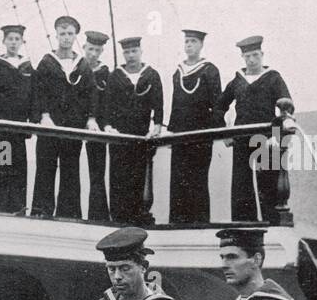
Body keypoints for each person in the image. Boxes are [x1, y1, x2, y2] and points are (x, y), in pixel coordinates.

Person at [215, 36, 293, 221]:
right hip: (241, 138)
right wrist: (225, 132)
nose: (251, 60)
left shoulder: (273, 77)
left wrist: (276, 135)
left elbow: (286, 107)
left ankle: (272, 224)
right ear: (243, 57)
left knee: (269, 183)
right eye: (247, 56)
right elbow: (219, 106)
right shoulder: (237, 80)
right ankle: (244, 227)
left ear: (262, 55)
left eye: (255, 55)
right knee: (242, 186)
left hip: (266, 138)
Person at [31, 15, 98, 218]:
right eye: (62, 34)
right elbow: (38, 91)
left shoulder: (83, 65)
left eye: (70, 34)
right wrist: (43, 115)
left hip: (73, 127)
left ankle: (69, 214)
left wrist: (91, 119)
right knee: (45, 167)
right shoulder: (46, 63)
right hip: (50, 125)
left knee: (71, 169)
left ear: (75, 36)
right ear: (56, 35)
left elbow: (91, 94)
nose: (66, 38)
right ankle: (41, 211)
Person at [102, 36, 164, 224]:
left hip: (141, 134)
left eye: (134, 51)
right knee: (118, 175)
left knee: (139, 175)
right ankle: (119, 217)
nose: (130, 55)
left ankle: (138, 215)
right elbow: (107, 105)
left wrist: (157, 126)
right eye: (127, 52)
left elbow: (158, 104)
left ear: (140, 51)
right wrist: (108, 126)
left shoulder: (151, 74)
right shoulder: (115, 75)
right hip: (120, 135)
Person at [166, 29, 223, 224]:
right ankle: (177, 222)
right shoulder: (178, 71)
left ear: (201, 45)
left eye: (193, 42)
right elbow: (175, 101)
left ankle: (199, 222)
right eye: (187, 42)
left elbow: (218, 103)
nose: (189, 45)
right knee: (178, 177)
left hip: (201, 132)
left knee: (198, 178)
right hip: (180, 133)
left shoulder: (210, 70)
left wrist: (217, 129)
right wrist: (171, 129)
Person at [0, 23, 35, 214]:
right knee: (3, 162)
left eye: (17, 39)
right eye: (10, 39)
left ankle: (18, 204)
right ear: (4, 41)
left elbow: (33, 95)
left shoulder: (27, 66)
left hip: (19, 126)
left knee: (19, 163)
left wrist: (30, 121)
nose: (13, 42)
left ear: (22, 42)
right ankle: (0, 204)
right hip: (2, 127)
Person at [82, 31, 113, 221]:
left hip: (97, 127)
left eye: (97, 50)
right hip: (76, 123)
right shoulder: (77, 68)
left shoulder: (105, 73)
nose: (93, 54)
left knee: (97, 171)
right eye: (90, 49)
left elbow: (108, 102)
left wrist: (106, 123)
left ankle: (98, 214)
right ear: (85, 48)